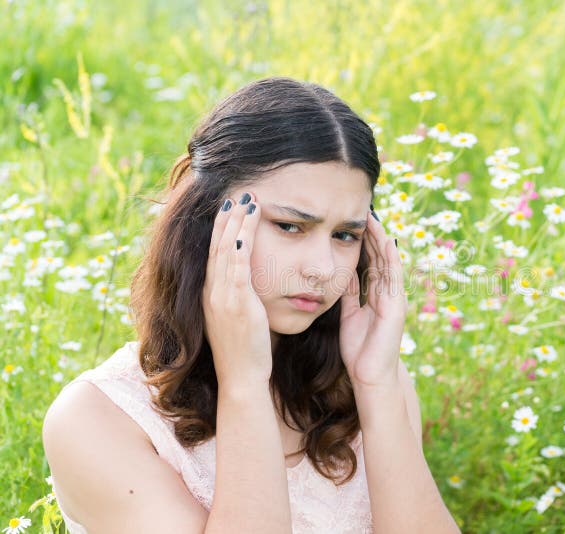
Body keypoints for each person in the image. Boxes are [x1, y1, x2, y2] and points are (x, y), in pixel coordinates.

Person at [41, 77, 461, 533]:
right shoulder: (98, 418)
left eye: (345, 235)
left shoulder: (374, 384)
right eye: (290, 226)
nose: (322, 268)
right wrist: (243, 383)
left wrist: (377, 387)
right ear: (206, 223)